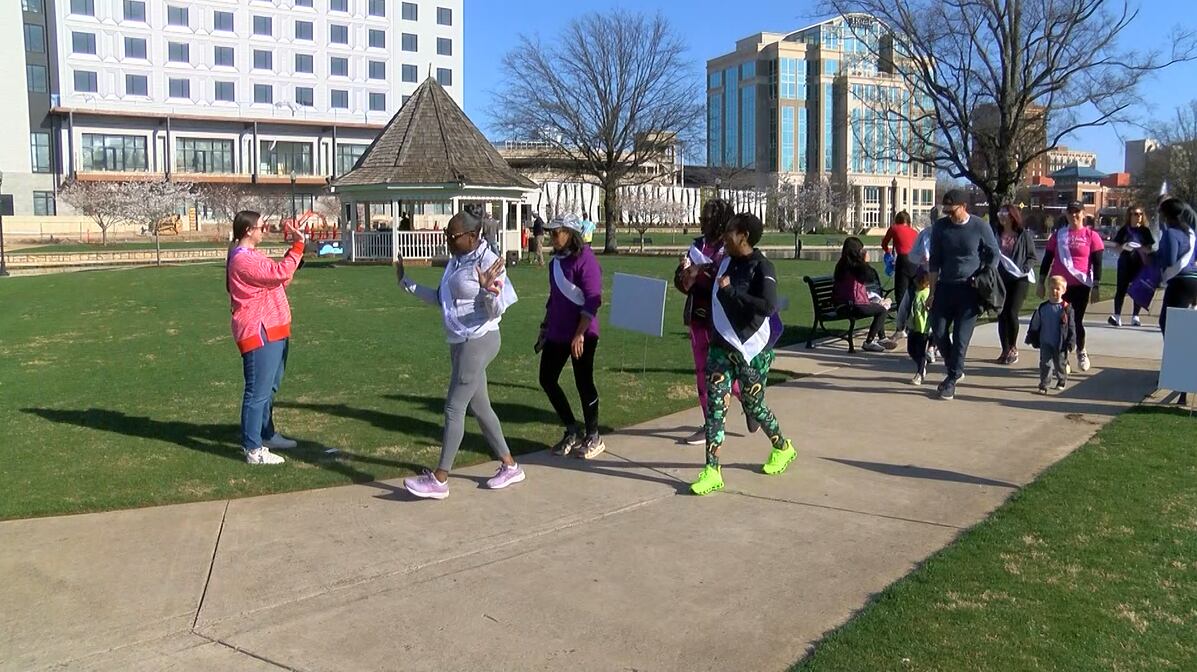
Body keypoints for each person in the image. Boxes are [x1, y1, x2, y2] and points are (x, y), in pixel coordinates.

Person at [394, 212, 524, 500]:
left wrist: (488, 291)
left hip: (479, 339)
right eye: (447, 236)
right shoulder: (458, 260)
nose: (448, 241)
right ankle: (510, 465)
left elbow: (496, 310)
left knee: (454, 408)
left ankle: (440, 479)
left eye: (452, 237)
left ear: (472, 236)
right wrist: (406, 282)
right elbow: (441, 297)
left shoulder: (490, 263)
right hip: (460, 339)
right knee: (481, 407)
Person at [690, 213, 795, 496]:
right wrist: (687, 274)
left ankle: (783, 448)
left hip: (753, 351)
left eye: (729, 231)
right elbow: (702, 284)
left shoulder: (763, 266)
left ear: (744, 236)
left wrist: (732, 292)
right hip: (722, 349)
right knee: (715, 409)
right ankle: (712, 470)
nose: (724, 235)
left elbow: (767, 306)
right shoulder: (723, 262)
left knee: (754, 406)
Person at [226, 211, 307, 465]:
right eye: (262, 227)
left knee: (269, 388)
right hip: (258, 331)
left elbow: (281, 277)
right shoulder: (242, 260)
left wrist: (295, 255)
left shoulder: (254, 256)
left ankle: (266, 434)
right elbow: (280, 273)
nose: (265, 230)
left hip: (275, 327)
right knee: (256, 393)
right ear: (248, 230)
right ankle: (253, 449)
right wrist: (299, 244)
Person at [673, 198, 751, 445]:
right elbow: (682, 282)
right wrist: (683, 274)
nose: (702, 222)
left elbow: (727, 280)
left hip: (719, 321)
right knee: (701, 373)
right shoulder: (697, 245)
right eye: (701, 217)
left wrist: (702, 272)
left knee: (723, 373)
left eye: (707, 218)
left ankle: (750, 402)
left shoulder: (727, 248)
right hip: (697, 318)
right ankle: (710, 424)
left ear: (719, 221)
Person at [538, 213, 606, 459]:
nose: (552, 237)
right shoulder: (555, 262)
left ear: (570, 234)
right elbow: (554, 297)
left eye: (556, 233)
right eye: (551, 233)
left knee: (583, 382)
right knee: (547, 378)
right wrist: (545, 327)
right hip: (557, 330)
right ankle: (571, 430)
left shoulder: (586, 260)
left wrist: (579, 334)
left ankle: (593, 435)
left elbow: (593, 298)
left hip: (584, 332)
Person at [928, 189, 999, 400]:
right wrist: (932, 292)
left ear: (964, 207)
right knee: (939, 332)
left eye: (952, 211)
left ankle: (951, 380)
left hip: (970, 290)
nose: (949, 215)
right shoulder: (940, 228)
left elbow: (994, 253)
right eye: (946, 211)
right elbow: (934, 262)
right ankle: (956, 370)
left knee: (960, 338)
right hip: (945, 287)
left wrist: (985, 274)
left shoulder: (980, 226)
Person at [1037, 201, 1104, 372]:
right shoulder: (1059, 235)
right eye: (1070, 212)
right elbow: (1047, 259)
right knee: (1061, 321)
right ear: (1066, 215)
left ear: (1083, 214)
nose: (1074, 216)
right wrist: (1041, 282)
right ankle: (1063, 357)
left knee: (1076, 321)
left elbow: (1097, 263)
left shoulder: (1091, 236)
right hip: (1059, 285)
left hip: (1081, 285)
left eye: (1077, 212)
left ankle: (1081, 350)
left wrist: (1096, 286)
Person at [833, 237, 897, 352]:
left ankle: (881, 338)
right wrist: (865, 262)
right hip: (850, 306)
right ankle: (869, 342)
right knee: (881, 309)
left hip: (846, 303)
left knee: (879, 304)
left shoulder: (843, 264)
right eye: (861, 250)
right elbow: (869, 277)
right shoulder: (853, 266)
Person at [993, 204, 1038, 364]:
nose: (1001, 216)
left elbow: (1032, 256)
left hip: (1019, 279)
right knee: (1001, 313)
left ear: (1012, 216)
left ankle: (1013, 347)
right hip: (1000, 279)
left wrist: (1025, 267)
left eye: (1004, 213)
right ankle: (1004, 350)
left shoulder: (1023, 235)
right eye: (1000, 213)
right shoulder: (995, 234)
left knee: (1012, 312)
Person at [1026, 276, 1077, 394]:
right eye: (1052, 288)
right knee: (1045, 363)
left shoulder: (1066, 308)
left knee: (1060, 364)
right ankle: (1044, 384)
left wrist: (1071, 342)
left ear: (1064, 291)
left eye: (1058, 289)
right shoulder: (1042, 307)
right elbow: (1035, 323)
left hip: (1060, 343)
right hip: (1045, 342)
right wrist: (1031, 336)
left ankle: (1061, 380)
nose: (1055, 291)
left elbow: (1071, 327)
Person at [1109, 205, 1155, 327]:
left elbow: (1149, 249)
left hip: (1139, 263)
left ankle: (1135, 316)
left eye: (1140, 214)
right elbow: (1116, 246)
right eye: (1135, 214)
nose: (1138, 216)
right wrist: (1124, 246)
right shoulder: (1124, 230)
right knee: (1121, 289)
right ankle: (1117, 315)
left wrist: (1140, 248)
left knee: (1138, 289)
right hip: (1125, 262)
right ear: (1130, 215)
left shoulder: (1145, 231)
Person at [881, 210, 918, 329]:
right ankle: (914, 324)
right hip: (915, 262)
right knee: (913, 292)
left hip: (903, 260)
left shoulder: (894, 228)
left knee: (901, 294)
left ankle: (901, 327)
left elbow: (884, 243)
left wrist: (888, 253)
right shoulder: (914, 232)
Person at [907, 269, 933, 385]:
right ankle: (923, 363)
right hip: (913, 326)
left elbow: (930, 310)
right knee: (911, 350)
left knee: (920, 351)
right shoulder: (916, 293)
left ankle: (920, 373)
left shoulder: (927, 294)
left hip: (923, 328)